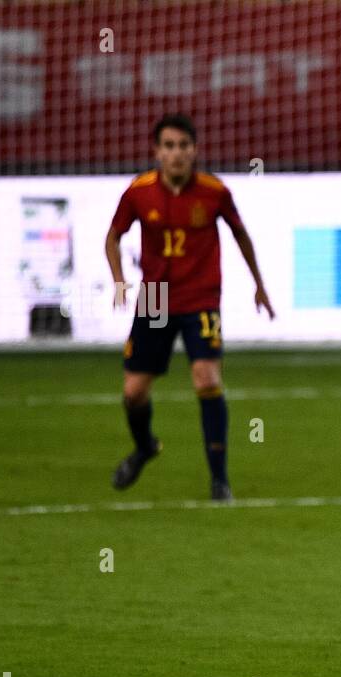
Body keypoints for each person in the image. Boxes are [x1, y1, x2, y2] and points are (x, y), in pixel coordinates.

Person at [106, 113, 275, 500]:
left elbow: (240, 234)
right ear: (157, 152)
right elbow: (113, 237)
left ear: (195, 150)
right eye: (169, 146)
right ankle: (146, 447)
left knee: (207, 378)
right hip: (155, 297)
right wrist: (118, 278)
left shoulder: (214, 192)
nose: (177, 154)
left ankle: (219, 480)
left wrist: (259, 285)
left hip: (200, 296)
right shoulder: (139, 191)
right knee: (133, 392)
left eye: (183, 146)